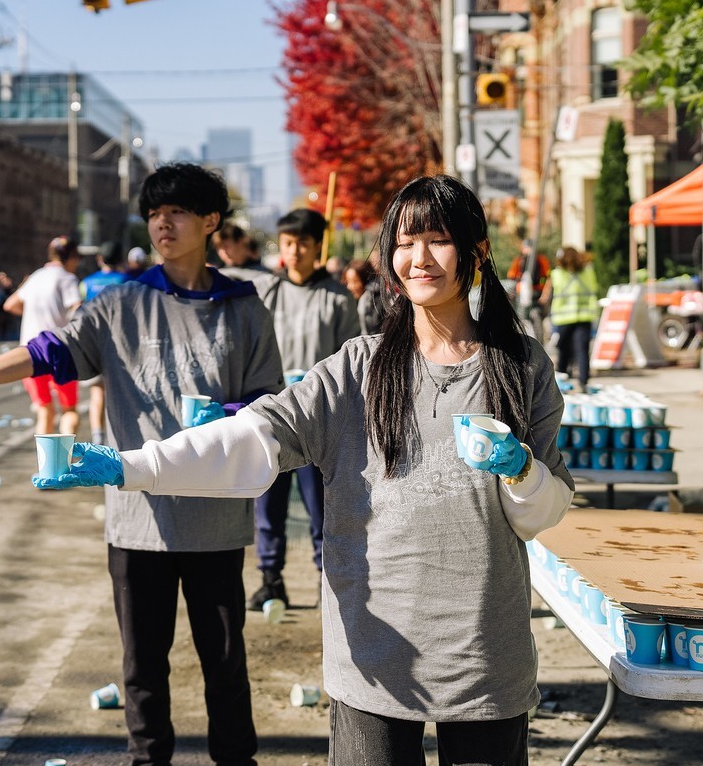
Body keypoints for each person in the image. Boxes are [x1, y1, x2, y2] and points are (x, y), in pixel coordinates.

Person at [32, 174, 573, 765]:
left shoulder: (519, 366)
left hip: (483, 659)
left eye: (438, 240)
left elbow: (540, 515)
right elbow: (250, 440)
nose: (419, 259)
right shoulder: (356, 369)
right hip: (372, 662)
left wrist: (521, 470)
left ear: (477, 251)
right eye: (404, 242)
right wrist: (129, 466)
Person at [0, 163, 283, 766]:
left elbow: (267, 400)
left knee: (223, 661)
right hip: (137, 519)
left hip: (215, 518)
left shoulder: (244, 307)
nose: (162, 224)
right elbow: (45, 354)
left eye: (176, 212)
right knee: (142, 666)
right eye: (154, 213)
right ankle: (149, 760)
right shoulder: (119, 304)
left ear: (210, 221)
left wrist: (227, 413)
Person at [245, 208, 361, 610]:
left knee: (323, 509)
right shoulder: (267, 293)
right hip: (270, 416)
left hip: (319, 420)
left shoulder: (338, 299)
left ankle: (325, 580)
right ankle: (270, 578)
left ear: (317, 247)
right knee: (268, 503)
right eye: (288, 244)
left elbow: (352, 362)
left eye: (302, 244)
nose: (293, 252)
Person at [3, 237, 83, 436]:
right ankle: (65, 460)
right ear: (71, 258)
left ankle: (45, 463)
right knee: (69, 410)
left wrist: (33, 313)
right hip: (60, 350)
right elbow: (78, 309)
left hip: (29, 352)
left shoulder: (36, 276)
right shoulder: (67, 278)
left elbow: (10, 304)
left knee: (44, 410)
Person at [78, 241, 130, 446]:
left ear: (100, 259)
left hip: (94, 344)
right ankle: (120, 436)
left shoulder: (86, 283)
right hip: (121, 345)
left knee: (97, 391)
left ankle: (98, 437)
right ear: (121, 259)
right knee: (121, 392)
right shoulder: (126, 281)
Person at [543, 246, 599, 389]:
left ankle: (561, 383)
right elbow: (594, 290)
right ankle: (583, 382)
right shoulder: (588, 273)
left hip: (563, 319)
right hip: (585, 316)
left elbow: (546, 296)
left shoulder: (556, 274)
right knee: (582, 350)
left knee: (563, 350)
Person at [342, 258, 385, 335]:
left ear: (365, 280)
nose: (349, 286)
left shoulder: (372, 301)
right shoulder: (354, 300)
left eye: (354, 282)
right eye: (348, 281)